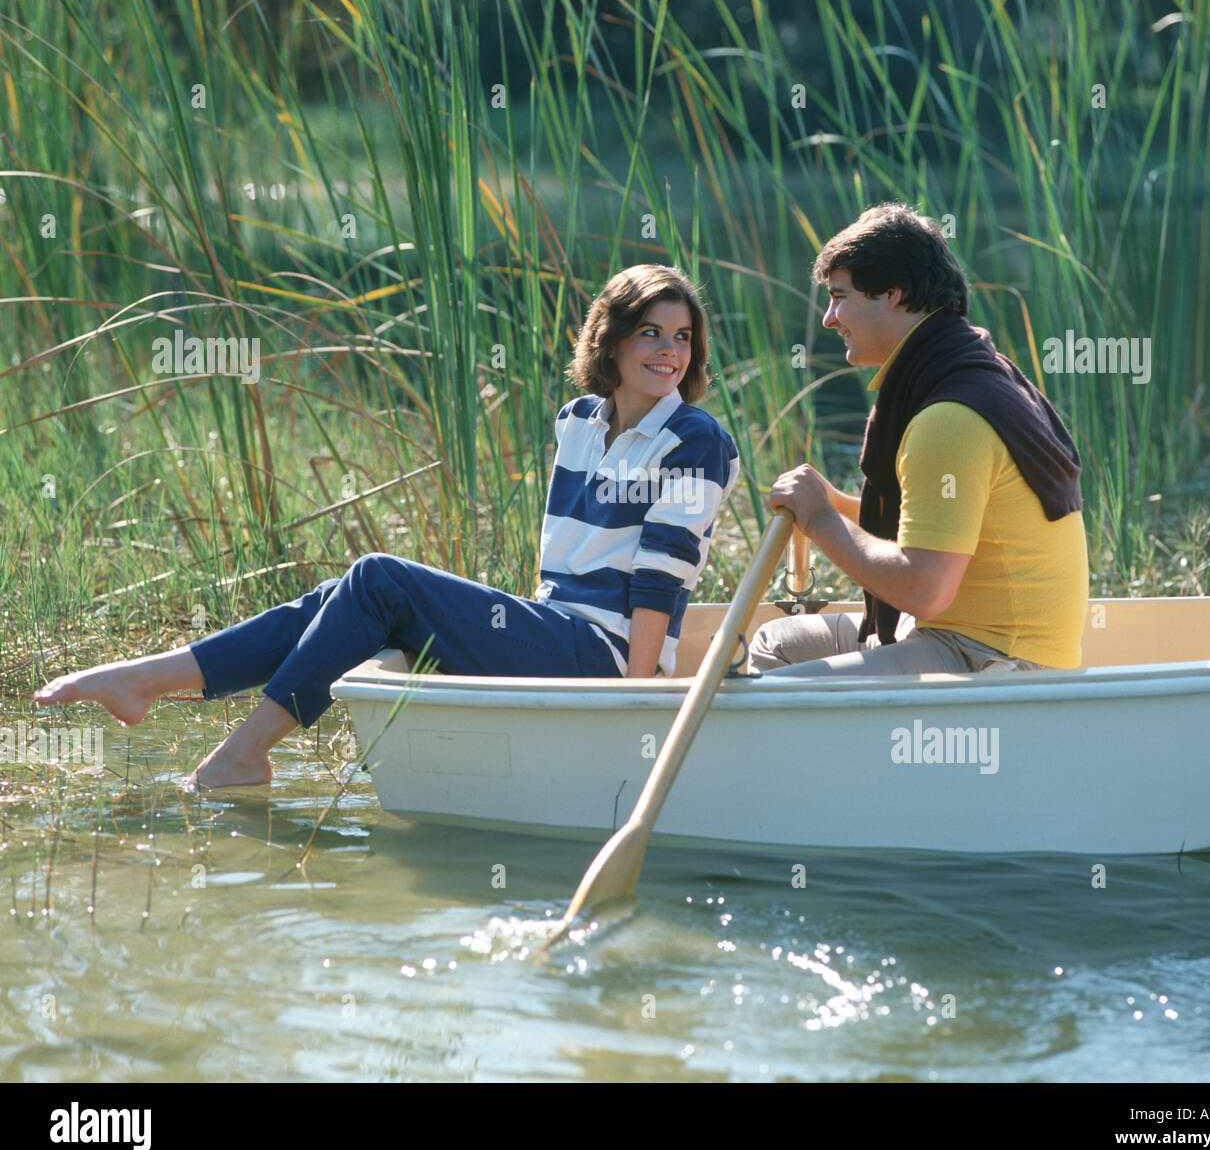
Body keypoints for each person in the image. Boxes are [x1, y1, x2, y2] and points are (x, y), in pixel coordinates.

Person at [34, 264, 739, 787]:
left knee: (379, 578)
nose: (669, 351)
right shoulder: (578, 424)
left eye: (682, 337)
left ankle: (243, 754)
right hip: (552, 627)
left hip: (605, 658)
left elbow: (659, 582)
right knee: (348, 594)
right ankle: (148, 679)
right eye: (650, 331)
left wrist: (631, 702)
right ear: (611, 339)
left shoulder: (695, 441)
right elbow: (566, 560)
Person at [751, 202, 1088, 678]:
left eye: (839, 296)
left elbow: (925, 590)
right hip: (965, 635)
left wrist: (823, 519)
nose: (829, 318)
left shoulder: (948, 418)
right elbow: (940, 527)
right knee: (776, 643)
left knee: (776, 692)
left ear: (892, 292)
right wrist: (836, 504)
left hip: (994, 660)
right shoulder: (973, 372)